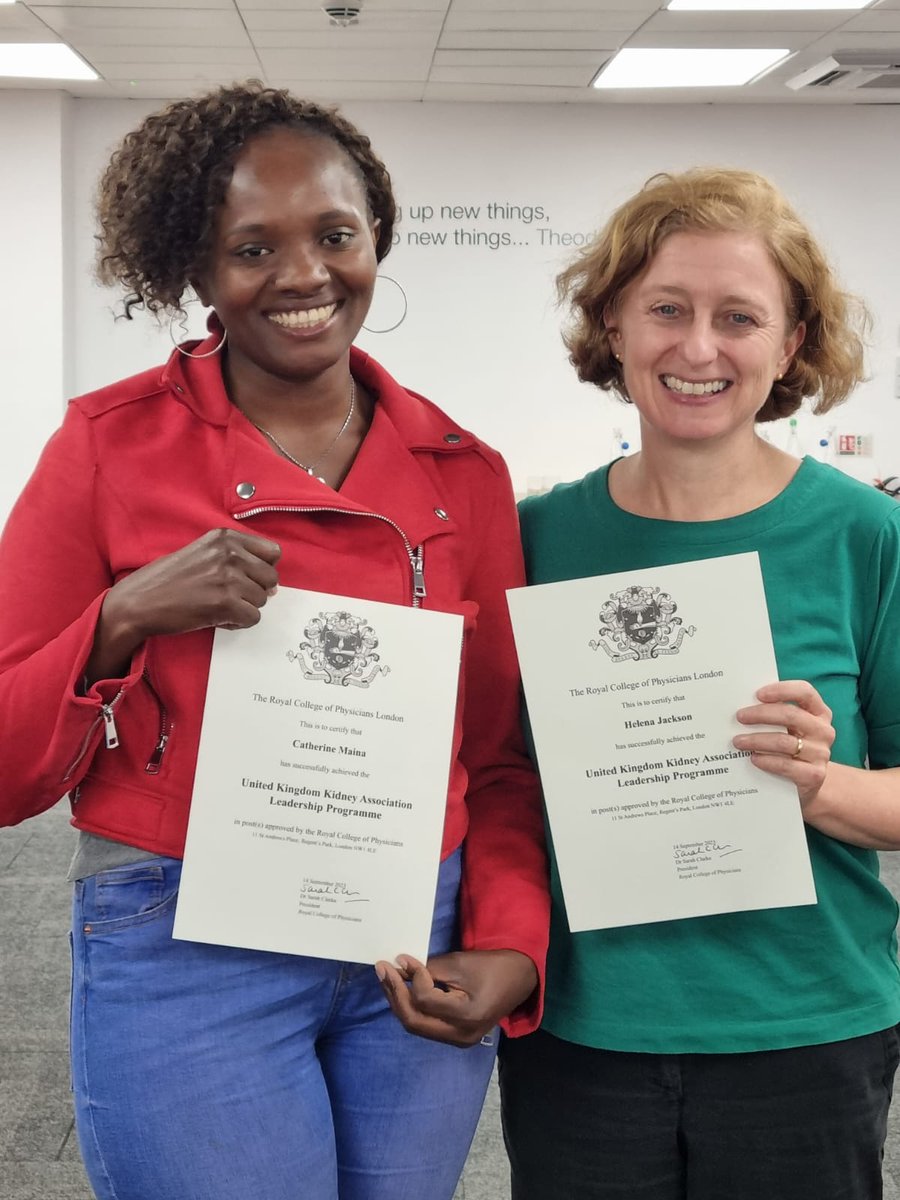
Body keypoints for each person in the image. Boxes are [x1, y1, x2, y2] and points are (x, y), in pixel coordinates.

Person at [0, 81, 548, 1200]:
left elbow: (496, 757)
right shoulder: (107, 447)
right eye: (253, 248)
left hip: (414, 934)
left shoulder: (463, 473)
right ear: (196, 271)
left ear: (376, 237)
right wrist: (122, 617)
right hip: (188, 936)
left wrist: (512, 936)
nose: (304, 275)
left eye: (335, 235)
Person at [499, 167, 900, 1200]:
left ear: (791, 343)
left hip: (806, 1026)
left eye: (739, 317)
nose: (699, 348)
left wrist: (820, 785)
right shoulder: (533, 539)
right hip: (584, 1030)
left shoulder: (867, 536)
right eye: (667, 309)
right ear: (614, 324)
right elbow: (496, 777)